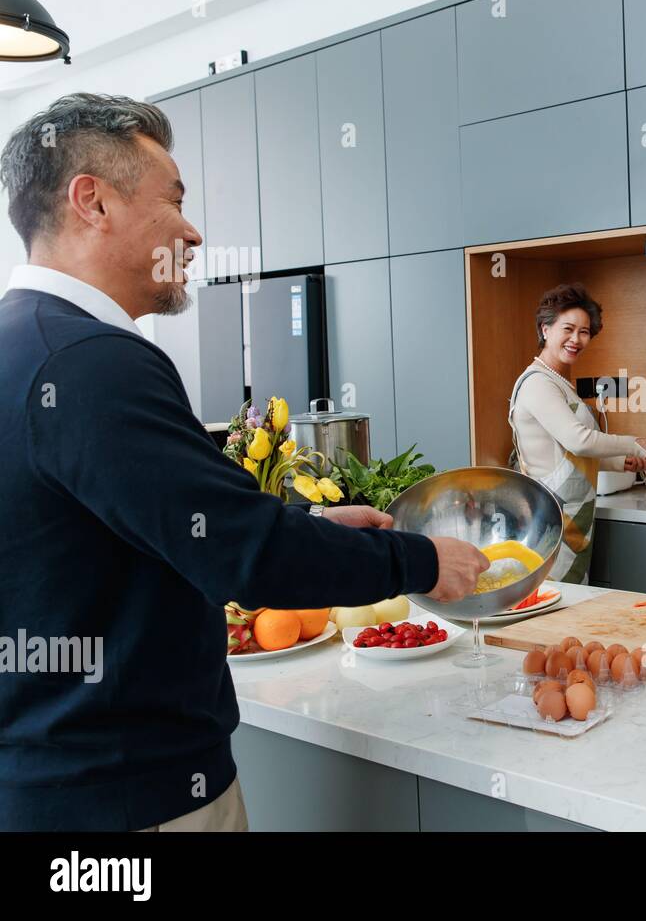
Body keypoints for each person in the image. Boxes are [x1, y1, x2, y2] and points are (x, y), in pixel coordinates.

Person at [0, 93, 489, 831]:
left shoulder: (26, 346)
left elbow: (140, 528)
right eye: (174, 200)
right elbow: (240, 553)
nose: (192, 232)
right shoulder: (92, 360)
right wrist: (417, 561)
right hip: (134, 796)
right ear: (91, 201)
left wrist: (313, 521)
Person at [508, 283, 646, 583]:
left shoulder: (557, 381)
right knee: (554, 603)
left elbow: (564, 453)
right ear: (545, 330)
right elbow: (578, 440)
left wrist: (621, 462)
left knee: (570, 603)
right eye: (568, 329)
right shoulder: (537, 384)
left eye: (584, 332)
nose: (577, 339)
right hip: (551, 518)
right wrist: (635, 443)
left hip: (572, 515)